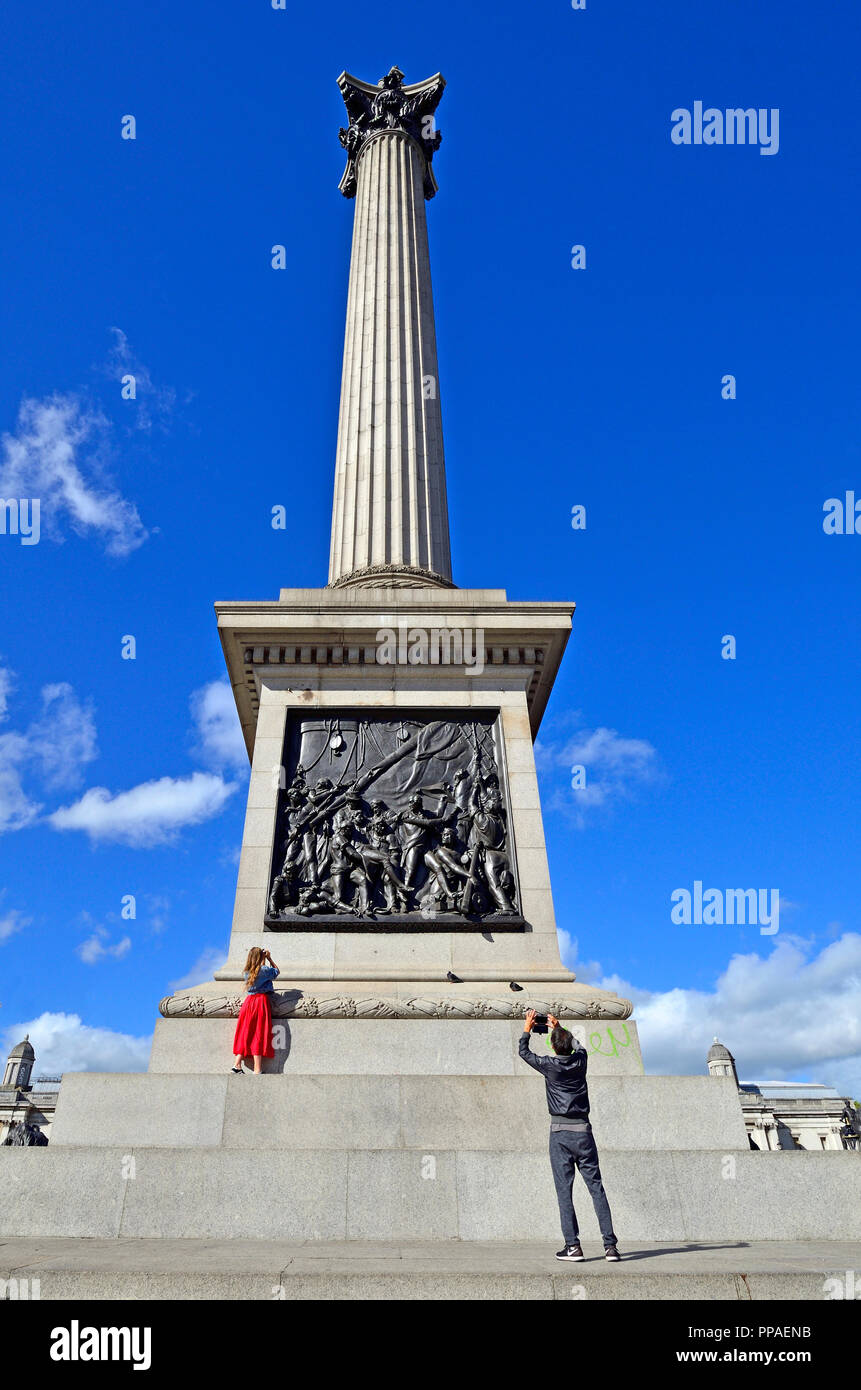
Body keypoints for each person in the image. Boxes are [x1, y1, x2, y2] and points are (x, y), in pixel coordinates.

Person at [519, 1008, 620, 1262]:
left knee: (565, 1191)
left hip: (560, 1133)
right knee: (596, 1188)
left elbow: (524, 1052)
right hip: (584, 1131)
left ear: (553, 1049)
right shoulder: (581, 1061)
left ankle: (573, 1246)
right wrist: (559, 1027)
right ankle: (610, 1247)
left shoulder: (549, 1065)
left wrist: (527, 1028)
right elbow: (580, 1047)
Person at [232, 947, 280, 1074]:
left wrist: (262, 960)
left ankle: (237, 1064)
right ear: (260, 957)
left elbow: (260, 973)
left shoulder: (247, 971)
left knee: (246, 1032)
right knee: (258, 1033)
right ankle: (257, 1069)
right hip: (260, 1002)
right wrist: (269, 958)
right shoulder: (264, 970)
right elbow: (276, 972)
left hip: (248, 1003)